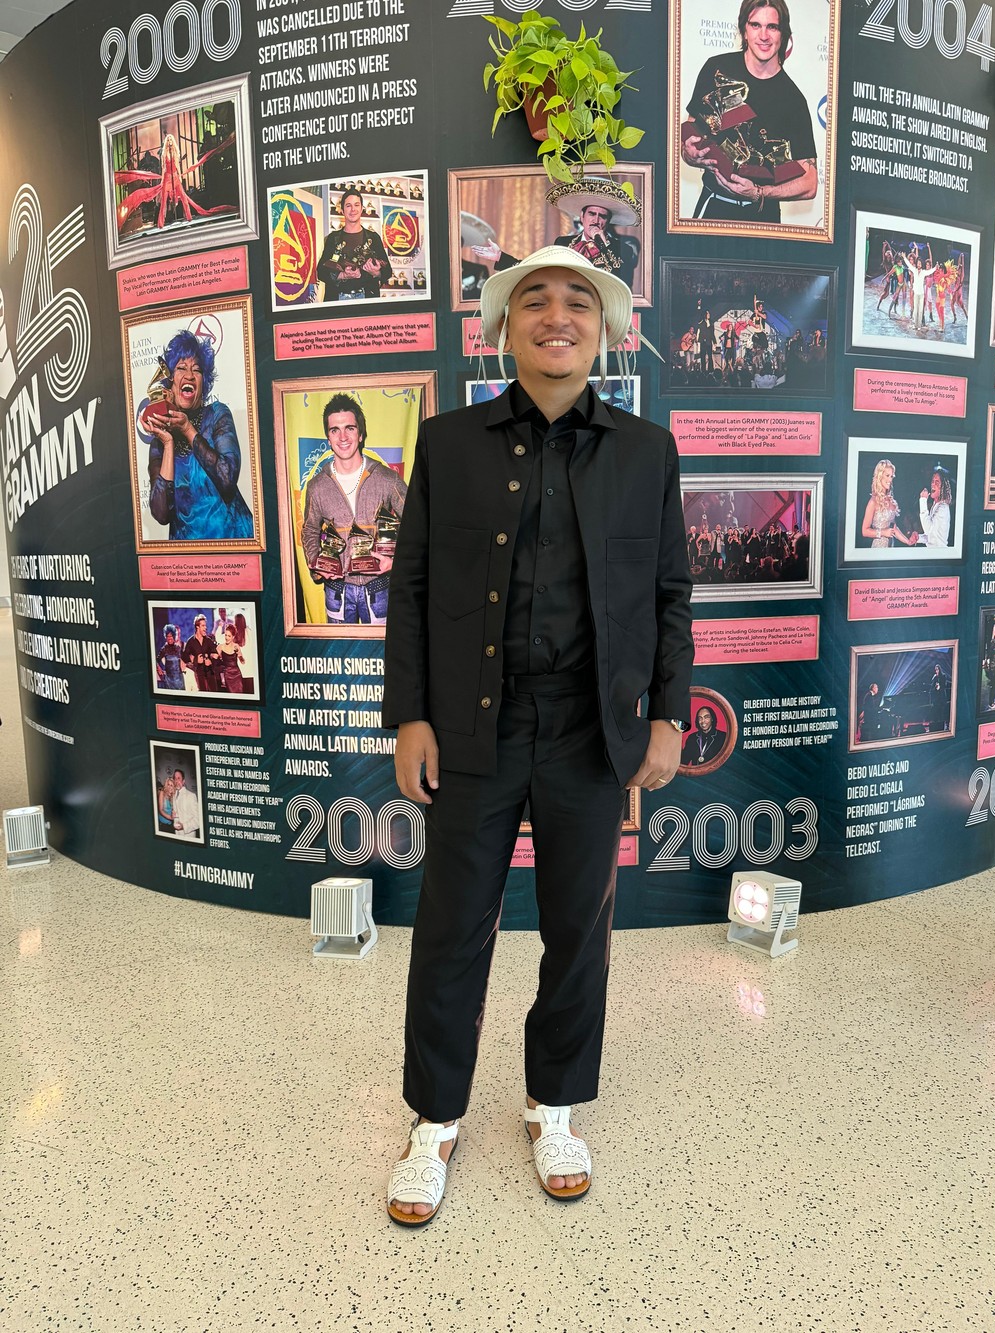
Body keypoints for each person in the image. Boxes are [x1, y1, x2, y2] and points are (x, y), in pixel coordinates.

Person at [381, 246, 694, 1225]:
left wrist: (669, 712)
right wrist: (411, 714)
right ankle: (433, 1121)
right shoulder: (449, 441)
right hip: (474, 723)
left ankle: (552, 1105)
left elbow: (669, 594)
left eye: (577, 303)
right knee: (451, 929)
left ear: (602, 327)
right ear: (505, 325)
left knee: (577, 929)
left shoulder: (645, 449)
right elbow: (413, 589)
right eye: (534, 302)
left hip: (587, 729)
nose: (556, 317)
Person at [681, 1, 817, 224]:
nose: (763, 35)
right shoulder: (715, 69)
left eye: (772, 27)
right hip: (713, 207)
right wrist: (690, 155)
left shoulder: (794, 100)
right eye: (755, 25)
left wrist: (759, 193)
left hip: (764, 216)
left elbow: (810, 183)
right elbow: (689, 142)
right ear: (744, 30)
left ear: (783, 34)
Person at [300, 394, 408, 626]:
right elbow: (309, 529)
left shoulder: (388, 479)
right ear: (328, 437)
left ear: (360, 434)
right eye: (335, 430)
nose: (343, 437)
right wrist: (317, 562)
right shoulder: (317, 486)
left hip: (379, 588)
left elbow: (417, 523)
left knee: (381, 658)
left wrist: (395, 560)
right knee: (340, 656)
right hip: (336, 590)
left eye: (350, 428)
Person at [147, 330, 255, 542]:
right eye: (180, 368)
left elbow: (227, 478)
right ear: (170, 383)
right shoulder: (159, 442)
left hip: (234, 546)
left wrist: (187, 429)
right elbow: (161, 514)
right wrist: (168, 443)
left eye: (196, 370)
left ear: (203, 382)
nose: (189, 375)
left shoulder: (216, 415)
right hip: (191, 560)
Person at [473, 178, 641, 292]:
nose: (596, 220)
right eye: (591, 214)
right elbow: (537, 268)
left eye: (602, 216)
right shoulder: (563, 243)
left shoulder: (622, 249)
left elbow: (623, 284)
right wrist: (500, 257)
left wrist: (604, 245)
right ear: (582, 217)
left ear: (608, 221)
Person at [316, 188, 391, 301]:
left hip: (367, 299)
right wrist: (342, 275)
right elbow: (321, 271)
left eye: (356, 205)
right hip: (337, 300)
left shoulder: (373, 238)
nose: (353, 210)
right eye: (348, 205)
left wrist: (376, 272)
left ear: (361, 209)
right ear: (342, 210)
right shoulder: (333, 238)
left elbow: (388, 272)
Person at [861, 459, 910, 548]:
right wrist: (883, 532)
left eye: (891, 476)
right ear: (880, 476)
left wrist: (908, 541)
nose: (890, 480)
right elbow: (865, 531)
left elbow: (894, 529)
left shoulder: (891, 500)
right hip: (878, 549)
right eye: (887, 475)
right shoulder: (873, 501)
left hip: (890, 547)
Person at [912, 465, 952, 548]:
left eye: (937, 482)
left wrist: (923, 501)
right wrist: (918, 538)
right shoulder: (936, 505)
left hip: (940, 554)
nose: (933, 484)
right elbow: (932, 536)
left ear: (943, 487)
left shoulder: (943, 508)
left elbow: (928, 530)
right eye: (932, 481)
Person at [181, 614, 221, 692]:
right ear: (197, 627)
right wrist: (195, 660)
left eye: (205, 626)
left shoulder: (209, 641)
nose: (205, 628)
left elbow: (216, 657)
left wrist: (211, 661)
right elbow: (185, 657)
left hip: (210, 675)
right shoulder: (191, 642)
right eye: (203, 626)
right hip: (199, 676)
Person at [171, 767, 200, 839]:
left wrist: (184, 826)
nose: (176, 781)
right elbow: (177, 815)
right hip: (177, 835)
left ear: (183, 781)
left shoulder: (191, 796)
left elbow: (198, 820)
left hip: (188, 836)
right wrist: (173, 816)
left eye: (178, 778)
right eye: (175, 778)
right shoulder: (174, 796)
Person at [156, 624, 185, 691]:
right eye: (167, 636)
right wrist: (159, 669)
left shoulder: (178, 648)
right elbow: (157, 660)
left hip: (179, 679)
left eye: (171, 636)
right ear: (165, 636)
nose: (169, 638)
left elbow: (185, 660)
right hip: (169, 679)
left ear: (174, 636)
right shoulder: (164, 649)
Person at [218, 623, 246, 693]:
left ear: (233, 637)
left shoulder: (236, 646)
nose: (226, 638)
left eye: (229, 636)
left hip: (237, 674)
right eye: (226, 635)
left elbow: (243, 661)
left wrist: (239, 654)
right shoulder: (221, 647)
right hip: (227, 675)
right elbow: (215, 661)